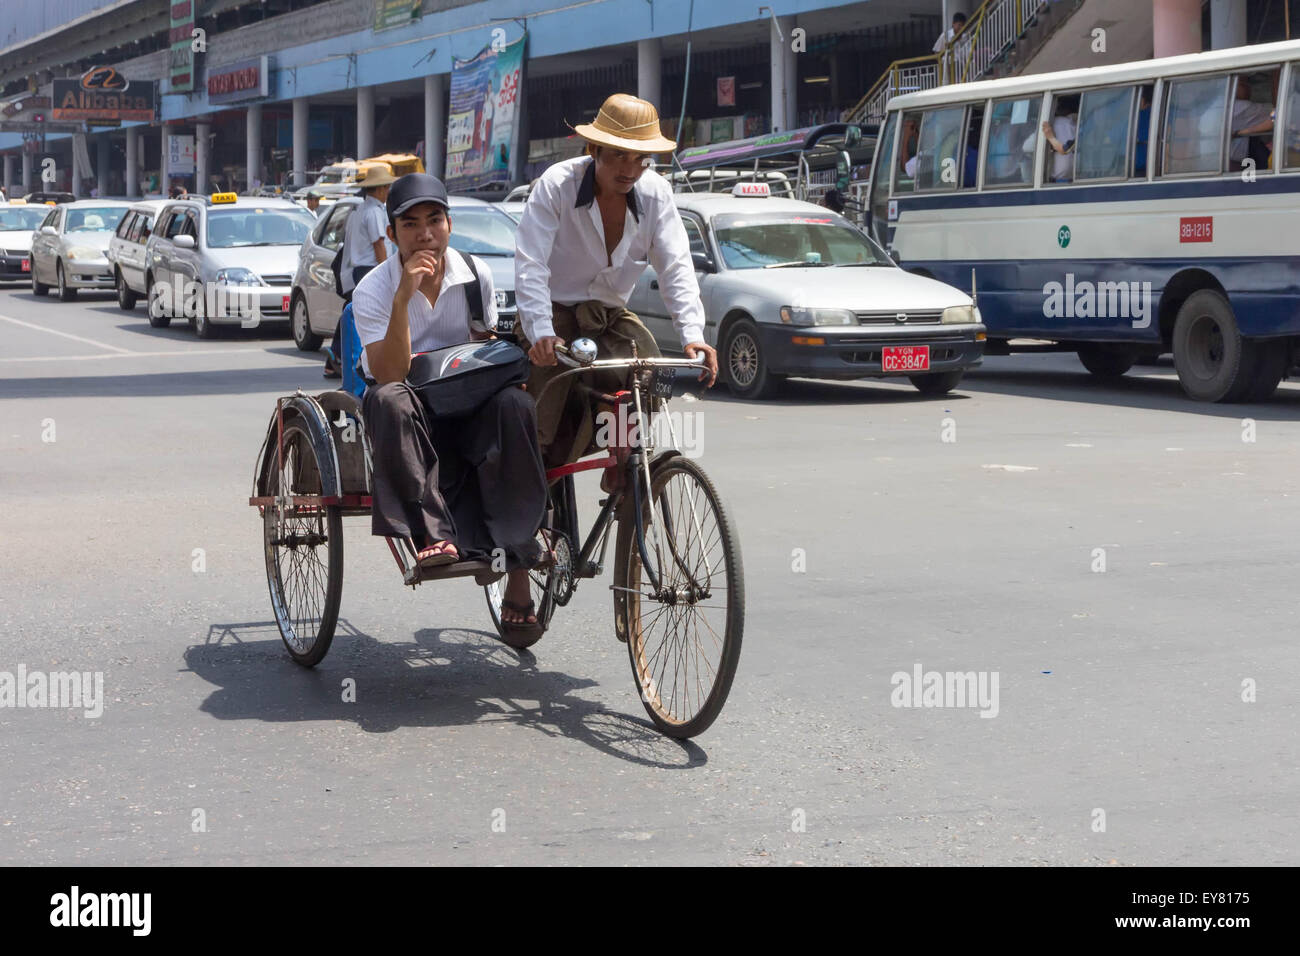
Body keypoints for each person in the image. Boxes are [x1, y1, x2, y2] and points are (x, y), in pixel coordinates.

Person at [353, 173, 549, 633]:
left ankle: (519, 558)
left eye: (434, 220)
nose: (425, 233)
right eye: (411, 224)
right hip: (411, 412)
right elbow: (389, 374)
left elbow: (486, 348)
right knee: (388, 399)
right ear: (392, 233)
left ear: (449, 223)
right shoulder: (374, 290)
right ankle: (433, 536)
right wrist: (403, 299)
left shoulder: (474, 273)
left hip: (467, 402)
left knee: (516, 407)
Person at [513, 92, 719, 491]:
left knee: (647, 374)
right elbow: (531, 265)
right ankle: (528, 498)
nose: (630, 168)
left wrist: (693, 335)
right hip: (552, 316)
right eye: (619, 155)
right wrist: (539, 332)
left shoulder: (656, 193)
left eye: (640, 158)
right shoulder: (558, 184)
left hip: (607, 317)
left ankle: (622, 462)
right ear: (595, 149)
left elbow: (676, 266)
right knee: (543, 411)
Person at [324, 166, 395, 378]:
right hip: (370, 268)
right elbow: (379, 244)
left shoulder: (359, 211)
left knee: (352, 313)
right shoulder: (373, 212)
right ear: (381, 189)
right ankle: (352, 360)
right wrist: (387, 272)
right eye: (387, 187)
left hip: (358, 270)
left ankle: (335, 357)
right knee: (364, 315)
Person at [1230, 75, 1274, 168]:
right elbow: (1278, 114)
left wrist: (1243, 132)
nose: (1248, 88)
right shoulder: (1239, 107)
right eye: (1243, 84)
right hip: (1236, 165)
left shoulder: (1207, 109)